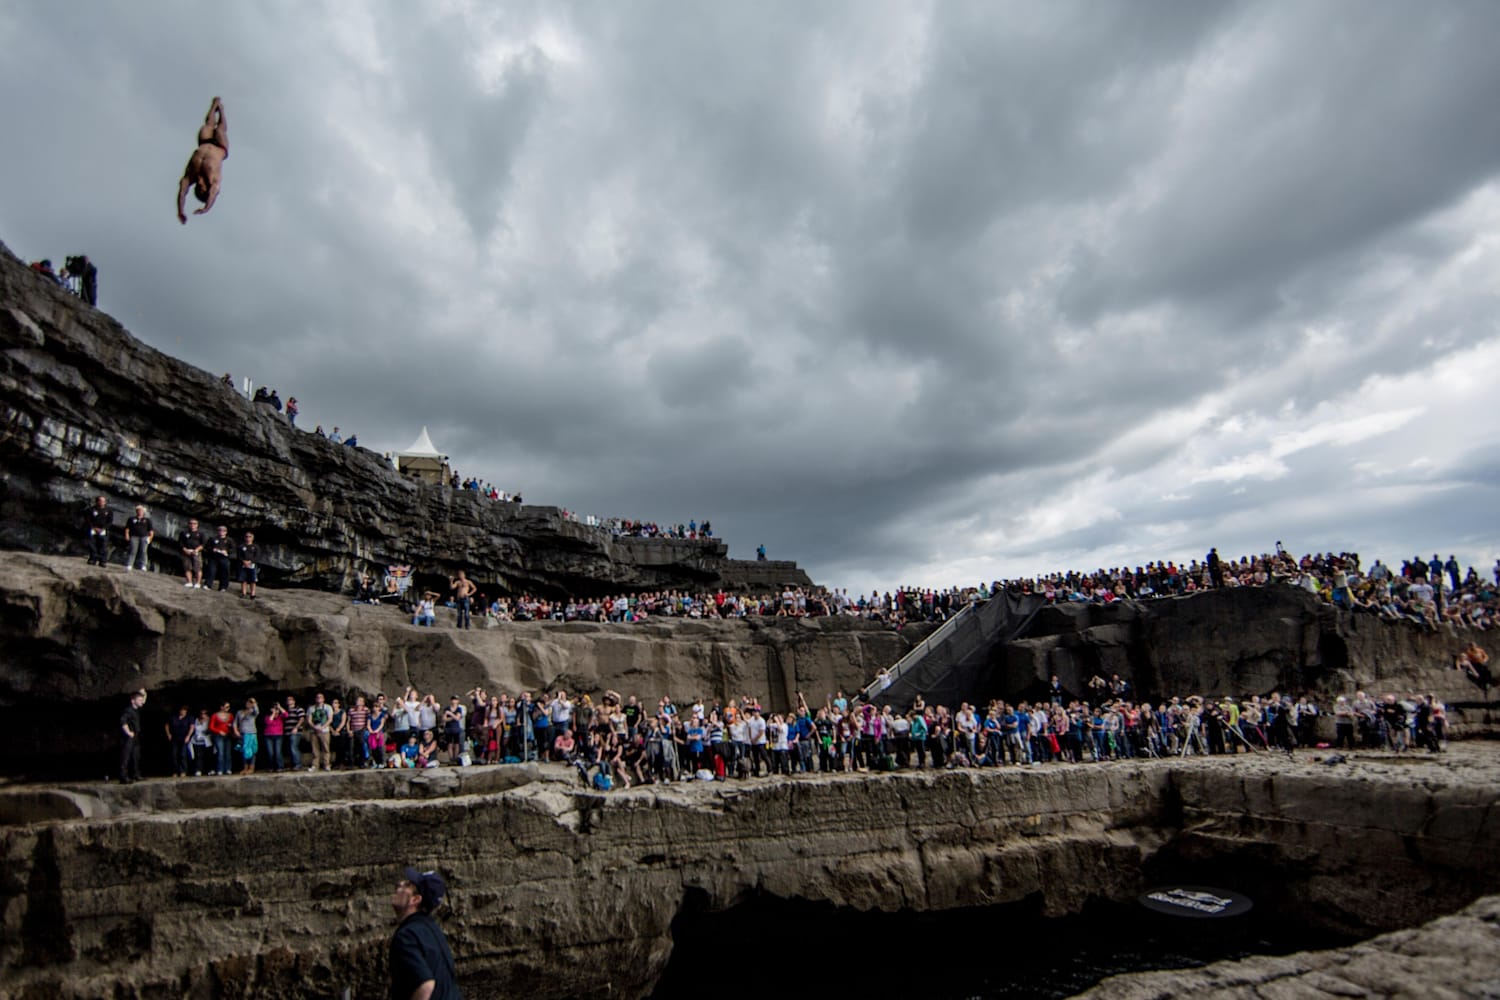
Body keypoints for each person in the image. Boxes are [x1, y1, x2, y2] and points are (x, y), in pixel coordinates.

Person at [389, 867, 461, 1000]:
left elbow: (426, 985)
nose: (400, 884)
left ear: (415, 900)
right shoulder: (432, 929)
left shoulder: (406, 936)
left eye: (407, 885)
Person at [177, 96, 229, 224]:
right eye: (202, 189)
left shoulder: (190, 176)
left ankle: (214, 105)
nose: (200, 186)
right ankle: (221, 109)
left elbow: (182, 192)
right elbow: (213, 194)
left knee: (208, 125)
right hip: (219, 148)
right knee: (220, 130)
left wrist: (180, 210)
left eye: (198, 188)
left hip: (203, 143)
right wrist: (207, 207)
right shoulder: (213, 181)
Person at [119, 689, 146, 783]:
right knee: (126, 756)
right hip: (129, 737)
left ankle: (136, 774)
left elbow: (143, 701)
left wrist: (143, 693)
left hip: (136, 736)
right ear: (133, 700)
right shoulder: (128, 710)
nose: (141, 702)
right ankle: (123, 777)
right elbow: (123, 722)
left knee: (136, 756)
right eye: (139, 700)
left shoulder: (137, 710)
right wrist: (128, 732)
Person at [124, 505, 154, 571]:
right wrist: (127, 535)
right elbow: (127, 528)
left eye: (141, 510)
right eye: (138, 510)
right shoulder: (131, 519)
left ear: (143, 512)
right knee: (132, 550)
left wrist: (149, 538)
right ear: (136, 511)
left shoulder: (147, 520)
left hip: (144, 537)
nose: (140, 512)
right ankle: (129, 564)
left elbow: (151, 531)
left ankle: (143, 565)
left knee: (143, 551)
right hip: (134, 536)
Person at [85, 495, 112, 566]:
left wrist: (103, 528)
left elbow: (110, 521)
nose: (102, 502)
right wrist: (93, 527)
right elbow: (88, 520)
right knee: (92, 544)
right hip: (93, 529)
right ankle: (92, 559)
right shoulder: (91, 509)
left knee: (103, 545)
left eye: (104, 501)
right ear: (97, 501)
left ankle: (102, 561)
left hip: (103, 530)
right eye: (100, 501)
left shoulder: (108, 510)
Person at [206, 526, 235, 591]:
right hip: (214, 557)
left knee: (224, 572)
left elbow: (233, 549)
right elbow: (207, 547)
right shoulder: (213, 538)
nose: (221, 532)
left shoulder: (229, 540)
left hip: (224, 558)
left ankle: (223, 587)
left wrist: (226, 551)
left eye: (223, 531)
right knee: (211, 571)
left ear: (226, 532)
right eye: (220, 530)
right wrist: (212, 549)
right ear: (217, 531)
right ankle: (208, 585)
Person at [179, 518, 205, 588]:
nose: (192, 525)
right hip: (186, 551)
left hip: (196, 552)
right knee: (187, 567)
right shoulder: (184, 533)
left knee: (198, 568)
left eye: (194, 523)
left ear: (197, 525)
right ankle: (189, 582)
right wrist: (185, 550)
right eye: (191, 523)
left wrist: (196, 550)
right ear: (188, 524)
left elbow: (203, 544)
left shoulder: (201, 533)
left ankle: (198, 583)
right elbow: (180, 543)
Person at [237, 531, 259, 599]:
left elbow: (257, 556)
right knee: (243, 580)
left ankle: (253, 594)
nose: (248, 538)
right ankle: (244, 593)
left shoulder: (255, 547)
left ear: (253, 538)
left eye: (250, 537)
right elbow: (239, 556)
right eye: (246, 536)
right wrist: (244, 561)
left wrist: (250, 561)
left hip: (252, 565)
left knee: (253, 580)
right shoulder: (241, 546)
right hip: (243, 565)